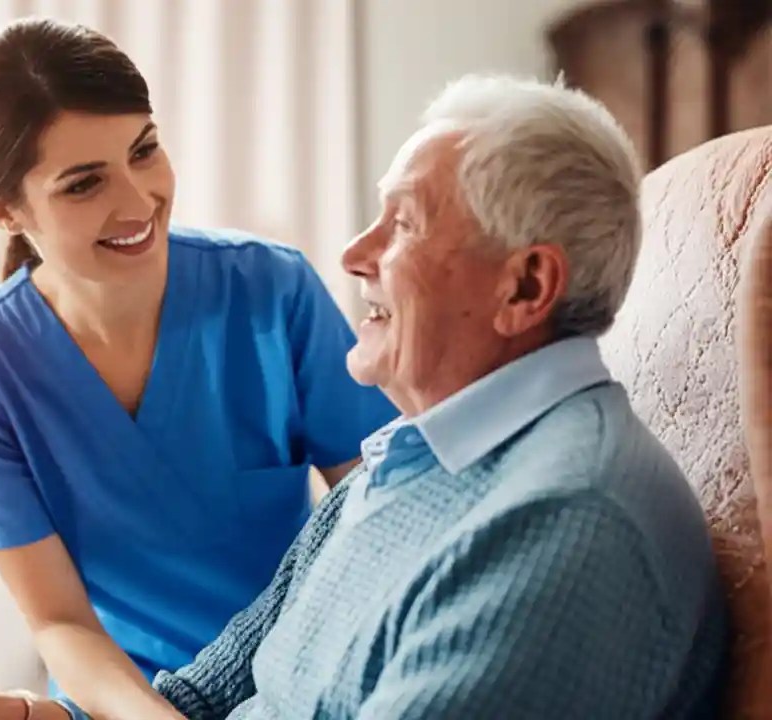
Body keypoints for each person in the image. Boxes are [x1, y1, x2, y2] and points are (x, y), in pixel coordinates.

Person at [0, 18, 394, 720]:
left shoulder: (271, 291)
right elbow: (61, 623)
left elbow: (386, 515)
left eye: (145, 151)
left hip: (305, 685)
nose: (139, 201)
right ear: (3, 210)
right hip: (125, 705)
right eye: (84, 185)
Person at [148, 75, 729, 718]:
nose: (354, 253)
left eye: (403, 224)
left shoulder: (566, 520)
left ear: (526, 288)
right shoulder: (409, 456)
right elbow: (203, 697)